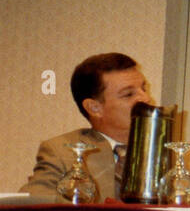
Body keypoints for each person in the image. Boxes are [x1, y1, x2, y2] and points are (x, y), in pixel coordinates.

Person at [20, 53, 154, 202]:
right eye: (128, 94)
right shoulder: (61, 151)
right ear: (94, 108)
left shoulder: (160, 152)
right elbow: (33, 203)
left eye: (144, 89)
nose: (145, 98)